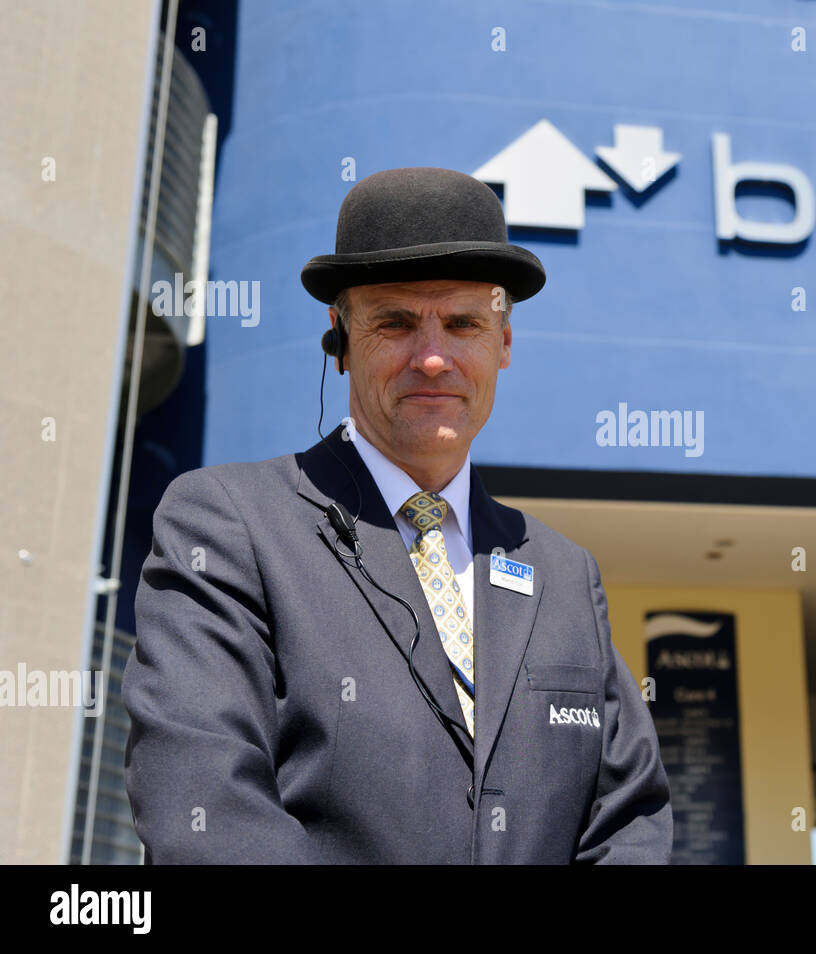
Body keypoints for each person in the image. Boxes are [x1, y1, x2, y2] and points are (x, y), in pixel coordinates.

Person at [122, 167, 672, 863]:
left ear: (503, 344)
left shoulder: (563, 572)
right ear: (341, 340)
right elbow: (204, 805)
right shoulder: (228, 526)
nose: (434, 357)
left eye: (465, 323)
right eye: (396, 322)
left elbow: (630, 824)